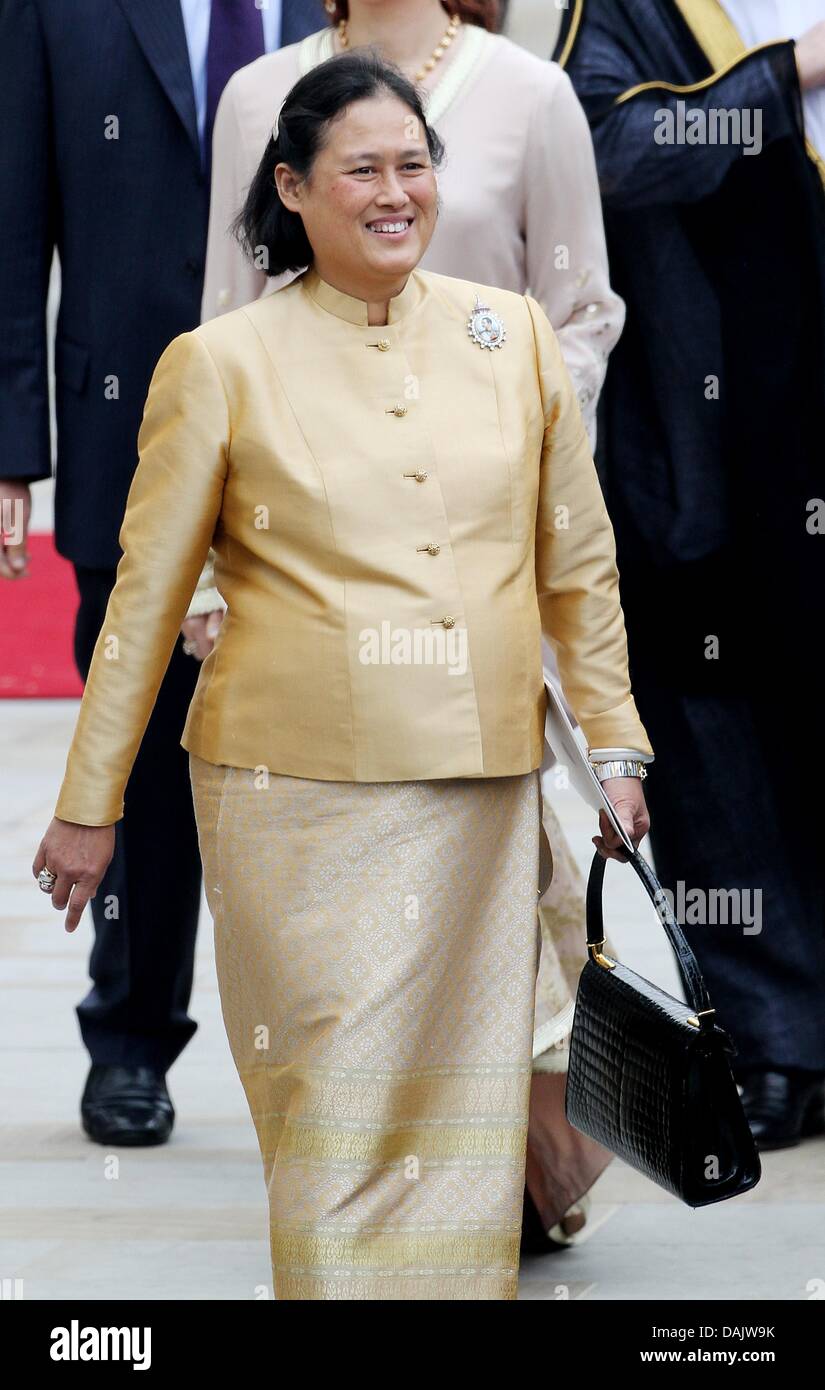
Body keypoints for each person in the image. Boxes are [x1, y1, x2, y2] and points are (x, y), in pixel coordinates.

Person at [34, 51, 653, 1301]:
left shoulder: (512, 336)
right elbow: (141, 604)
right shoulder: (220, 360)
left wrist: (620, 746)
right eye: (361, 169)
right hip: (291, 796)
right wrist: (88, 805)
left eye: (415, 165)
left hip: (478, 788)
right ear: (292, 190)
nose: (395, 192)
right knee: (334, 1095)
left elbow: (579, 568)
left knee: (458, 1115)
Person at [188, 0, 631, 1245]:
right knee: (336, 919)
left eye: (409, 164)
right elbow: (226, 315)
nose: (393, 187)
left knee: (526, 884)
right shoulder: (261, 93)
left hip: (493, 558)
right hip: (317, 574)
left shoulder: (531, 94)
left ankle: (516, 1166)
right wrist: (217, 581)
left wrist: (518, 450)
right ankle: (363, 1188)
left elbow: (582, 308)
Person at [0, 0, 321, 1148]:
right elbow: (12, 208)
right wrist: (12, 447)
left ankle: (346, 1039)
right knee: (136, 745)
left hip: (319, 428)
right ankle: (132, 1036)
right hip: (122, 423)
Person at [554, 0, 825, 1149]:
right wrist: (793, 72)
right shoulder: (630, 9)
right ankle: (777, 1039)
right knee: (722, 748)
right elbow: (613, 151)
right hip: (716, 447)